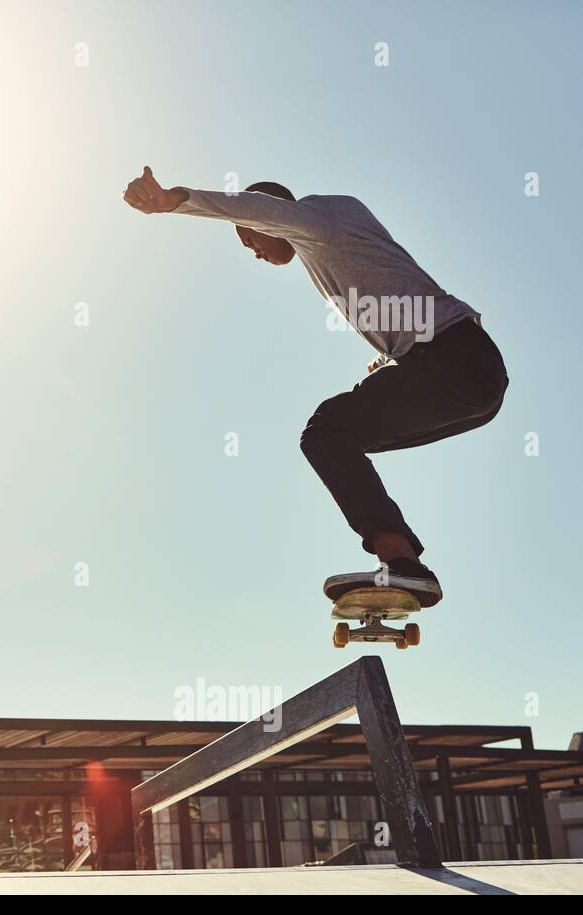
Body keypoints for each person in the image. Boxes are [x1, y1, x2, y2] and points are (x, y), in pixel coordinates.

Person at [123, 167, 509, 606]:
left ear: (268, 221)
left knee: (326, 431)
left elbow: (259, 209)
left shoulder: (319, 219)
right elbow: (407, 300)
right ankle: (407, 569)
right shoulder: (328, 241)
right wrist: (385, 362)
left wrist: (176, 199)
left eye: (249, 240)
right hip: (471, 380)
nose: (254, 252)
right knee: (340, 439)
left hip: (458, 362)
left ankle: (400, 562)